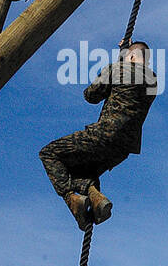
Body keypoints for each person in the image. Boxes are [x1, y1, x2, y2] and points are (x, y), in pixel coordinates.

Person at [39, 40, 159, 230]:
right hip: (122, 150)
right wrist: (125, 53)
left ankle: (72, 198)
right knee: (85, 172)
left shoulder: (118, 69)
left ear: (132, 57)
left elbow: (91, 96)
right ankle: (93, 195)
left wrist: (118, 61)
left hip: (103, 136)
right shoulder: (153, 82)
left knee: (49, 153)